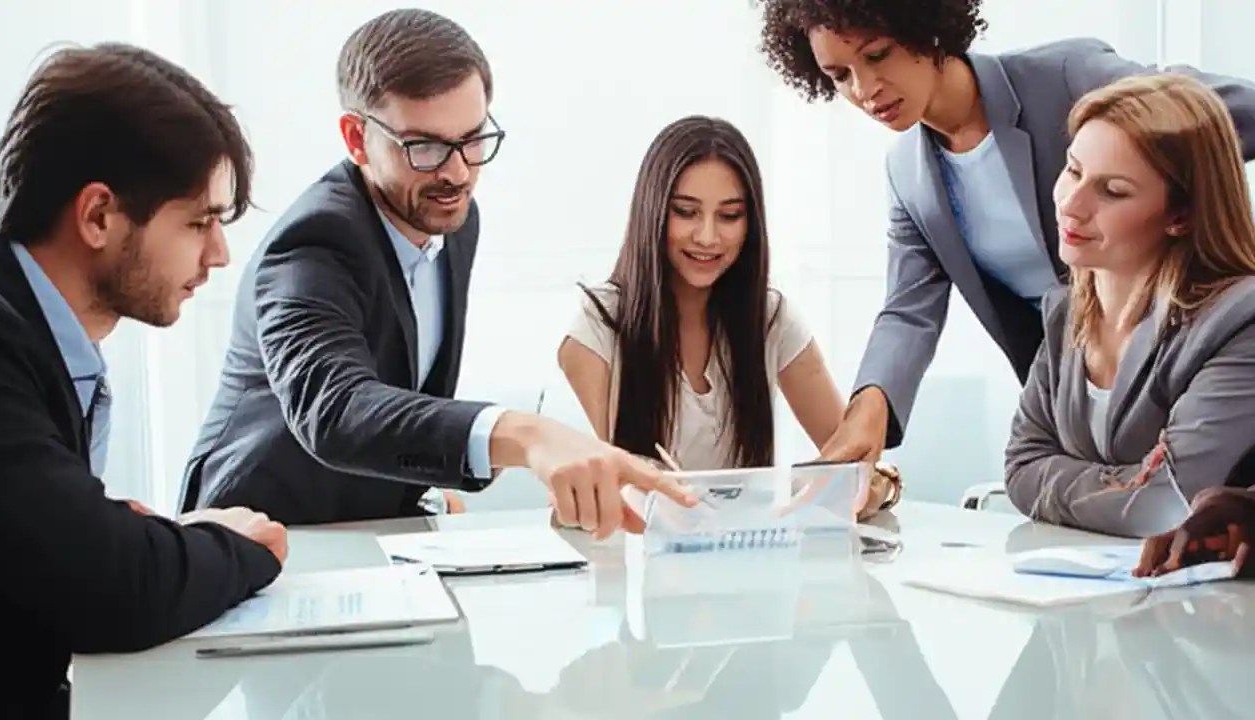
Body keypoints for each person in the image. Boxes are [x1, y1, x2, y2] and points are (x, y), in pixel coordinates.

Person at [181, 8, 695, 532]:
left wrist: (417, 495)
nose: (456, 171)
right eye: (424, 147)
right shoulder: (315, 242)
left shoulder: (453, 220)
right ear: (357, 138)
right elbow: (336, 410)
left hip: (374, 531)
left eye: (472, 139)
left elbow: (404, 385)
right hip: (264, 530)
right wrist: (528, 436)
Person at [756, 0, 1255, 465]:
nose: (864, 90)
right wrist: (868, 408)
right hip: (1084, 406)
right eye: (839, 75)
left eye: (877, 55)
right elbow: (909, 311)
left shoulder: (1065, 78)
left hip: (1187, 365)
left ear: (925, 26)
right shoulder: (908, 175)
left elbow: (1212, 115)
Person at [0, 43, 287, 719]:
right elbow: (108, 590)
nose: (218, 254)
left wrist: (131, 536)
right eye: (198, 221)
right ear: (97, 216)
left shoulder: (25, 328)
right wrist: (235, 547)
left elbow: (50, 550)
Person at [1005, 74, 1255, 538]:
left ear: (1181, 215)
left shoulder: (1240, 320)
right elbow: (1021, 467)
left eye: (1113, 191)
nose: (1071, 205)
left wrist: (1059, 481)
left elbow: (1166, 502)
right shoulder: (1066, 314)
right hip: (1104, 590)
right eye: (1073, 171)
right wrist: (1124, 487)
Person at [558, 116, 844, 472]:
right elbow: (603, 482)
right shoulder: (600, 323)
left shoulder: (770, 318)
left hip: (748, 529)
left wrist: (876, 483)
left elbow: (850, 455)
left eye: (730, 215)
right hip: (640, 528)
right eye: (686, 212)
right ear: (654, 211)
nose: (708, 237)